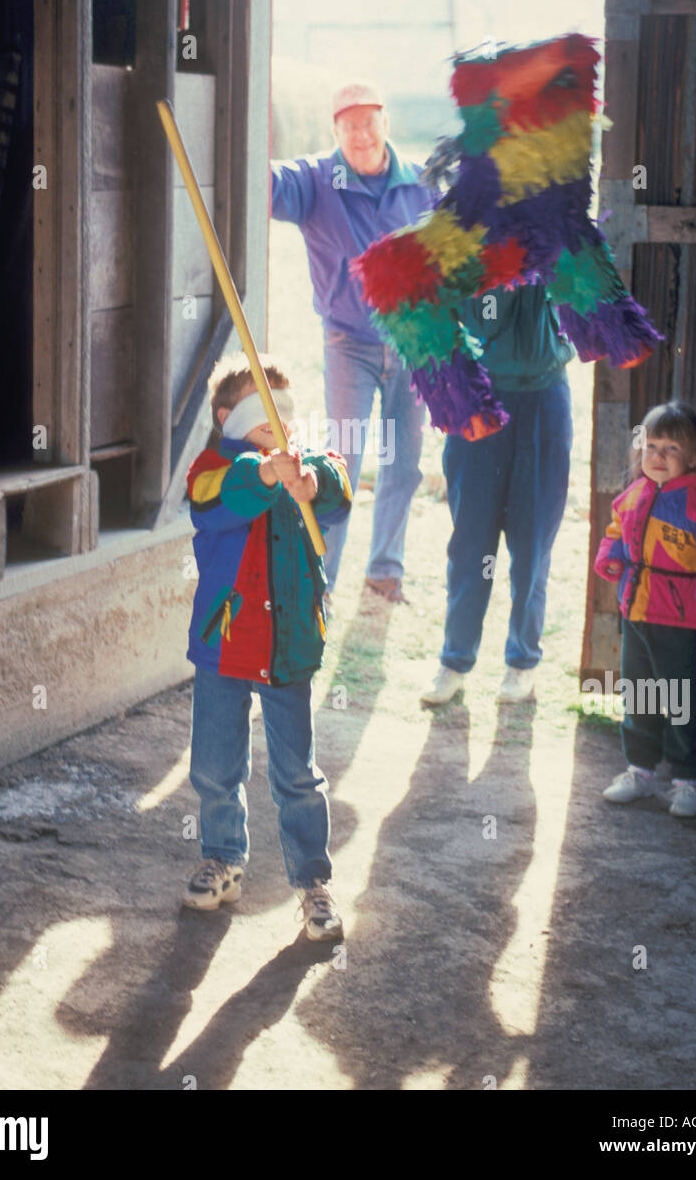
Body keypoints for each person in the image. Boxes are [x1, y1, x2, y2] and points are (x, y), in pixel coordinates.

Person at [182, 353, 352, 939]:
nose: (279, 429)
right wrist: (262, 474)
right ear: (228, 418)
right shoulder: (213, 468)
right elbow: (211, 503)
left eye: (285, 415)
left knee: (296, 774)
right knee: (213, 764)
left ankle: (311, 881)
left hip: (288, 645)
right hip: (224, 644)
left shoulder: (303, 464)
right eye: (263, 416)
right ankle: (223, 858)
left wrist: (313, 483)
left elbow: (338, 488)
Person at [270, 80, 436, 603]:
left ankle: (385, 572)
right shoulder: (317, 181)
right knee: (340, 463)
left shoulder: (421, 183)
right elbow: (266, 181)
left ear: (386, 124)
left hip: (413, 345)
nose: (361, 134)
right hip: (349, 345)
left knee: (404, 464)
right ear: (335, 131)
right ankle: (322, 581)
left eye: (369, 122)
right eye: (349, 125)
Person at [421, 285, 576, 706]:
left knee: (532, 545)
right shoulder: (462, 236)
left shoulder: (556, 228)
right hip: (478, 395)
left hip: (545, 397)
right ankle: (454, 660)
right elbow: (426, 318)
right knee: (471, 542)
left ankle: (522, 661)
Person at [594, 400, 696, 817]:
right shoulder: (633, 494)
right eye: (651, 445)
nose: (657, 456)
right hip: (636, 612)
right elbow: (615, 531)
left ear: (694, 456)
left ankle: (686, 782)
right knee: (638, 692)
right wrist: (611, 556)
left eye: (671, 448)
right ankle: (640, 772)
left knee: (681, 698)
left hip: (682, 617)